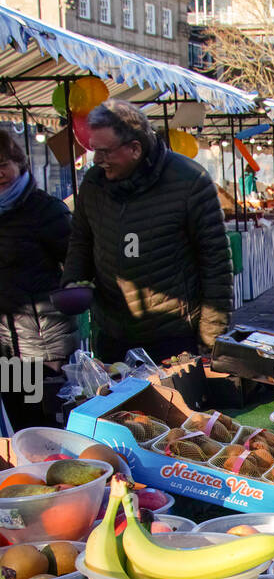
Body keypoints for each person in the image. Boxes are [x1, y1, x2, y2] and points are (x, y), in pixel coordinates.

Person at [61, 101, 232, 362]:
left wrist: (211, 338)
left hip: (173, 338)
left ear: (135, 148)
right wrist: (74, 281)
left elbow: (215, 263)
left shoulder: (190, 181)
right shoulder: (93, 184)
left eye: (105, 152)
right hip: (112, 336)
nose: (97, 160)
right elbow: (81, 240)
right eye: (94, 151)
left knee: (174, 403)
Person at [0, 128, 74, 428]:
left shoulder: (45, 210)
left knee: (44, 424)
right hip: (6, 342)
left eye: (3, 165)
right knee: (17, 423)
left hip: (40, 344)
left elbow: (76, 267)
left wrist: (56, 348)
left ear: (20, 163)